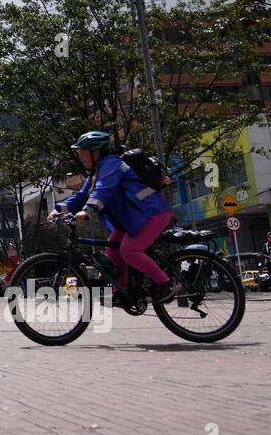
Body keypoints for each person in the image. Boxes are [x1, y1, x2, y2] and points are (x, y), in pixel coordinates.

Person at [47, 131, 175, 306]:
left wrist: (87, 211)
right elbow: (82, 196)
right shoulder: (96, 171)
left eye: (82, 152)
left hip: (151, 213)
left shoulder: (112, 164)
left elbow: (103, 190)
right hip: (131, 219)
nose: (80, 156)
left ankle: (165, 284)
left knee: (129, 250)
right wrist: (57, 209)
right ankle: (122, 292)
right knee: (113, 250)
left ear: (96, 152)